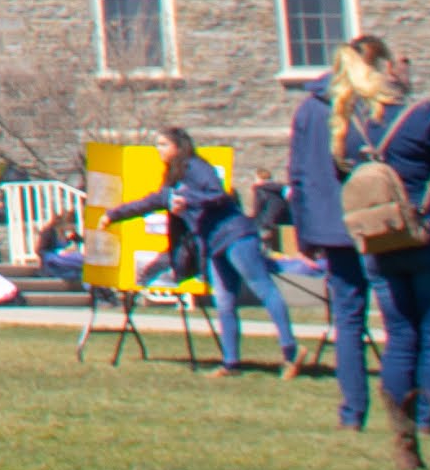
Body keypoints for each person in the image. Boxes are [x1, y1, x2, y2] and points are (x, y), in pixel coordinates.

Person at [335, 38, 430, 470]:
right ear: (390, 71)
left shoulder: (352, 130)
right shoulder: (427, 116)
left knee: (401, 340)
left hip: (384, 244)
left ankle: (404, 450)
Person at [97, 127, 293, 379]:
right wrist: (112, 215)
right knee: (224, 301)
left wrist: (189, 199)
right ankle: (230, 363)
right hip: (212, 244)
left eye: (163, 144)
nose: (159, 149)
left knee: (262, 288)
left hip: (235, 235)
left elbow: (217, 194)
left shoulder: (195, 166)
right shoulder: (172, 182)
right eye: (157, 144)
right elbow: (148, 202)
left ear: (179, 146)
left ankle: (290, 353)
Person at [287, 40, 380, 425]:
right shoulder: (371, 107)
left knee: (348, 321)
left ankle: (353, 411)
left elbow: (298, 176)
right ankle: (418, 410)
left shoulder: (309, 109)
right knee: (400, 318)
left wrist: (306, 233)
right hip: (375, 223)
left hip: (332, 228)